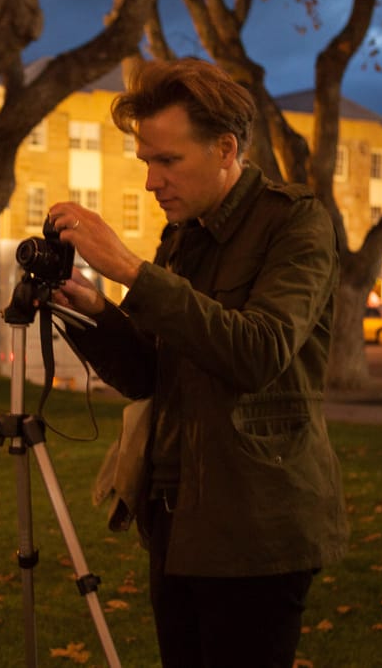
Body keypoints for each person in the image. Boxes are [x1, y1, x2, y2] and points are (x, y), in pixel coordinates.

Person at [46, 58, 348, 667]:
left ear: (225, 149)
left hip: (256, 525)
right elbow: (147, 376)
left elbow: (257, 352)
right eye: (146, 163)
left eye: (168, 161)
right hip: (175, 521)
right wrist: (93, 311)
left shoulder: (295, 222)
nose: (153, 182)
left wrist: (131, 270)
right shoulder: (182, 237)